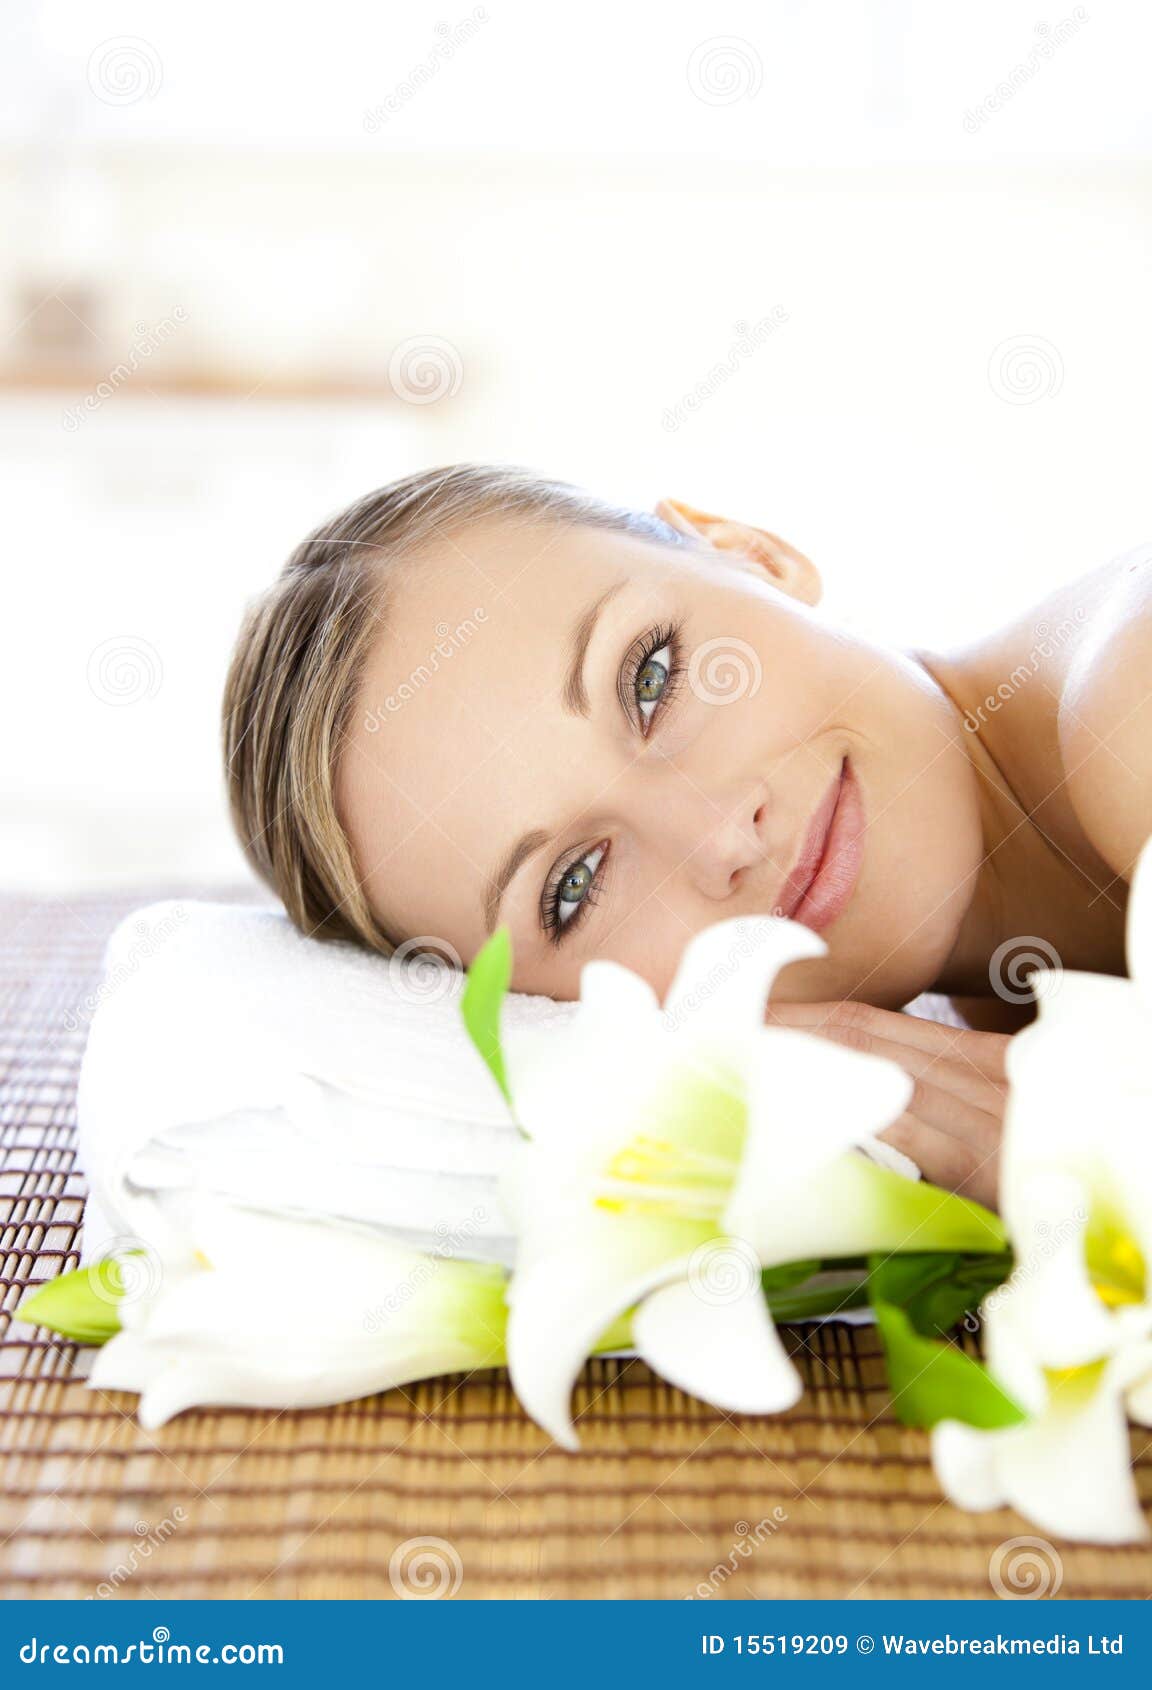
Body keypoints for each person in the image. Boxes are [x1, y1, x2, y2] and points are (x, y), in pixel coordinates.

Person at [223, 464, 1151, 1205]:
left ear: (751, 552)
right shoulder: (1023, 1010)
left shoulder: (1129, 709)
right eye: (574, 885)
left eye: (652, 677)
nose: (719, 837)